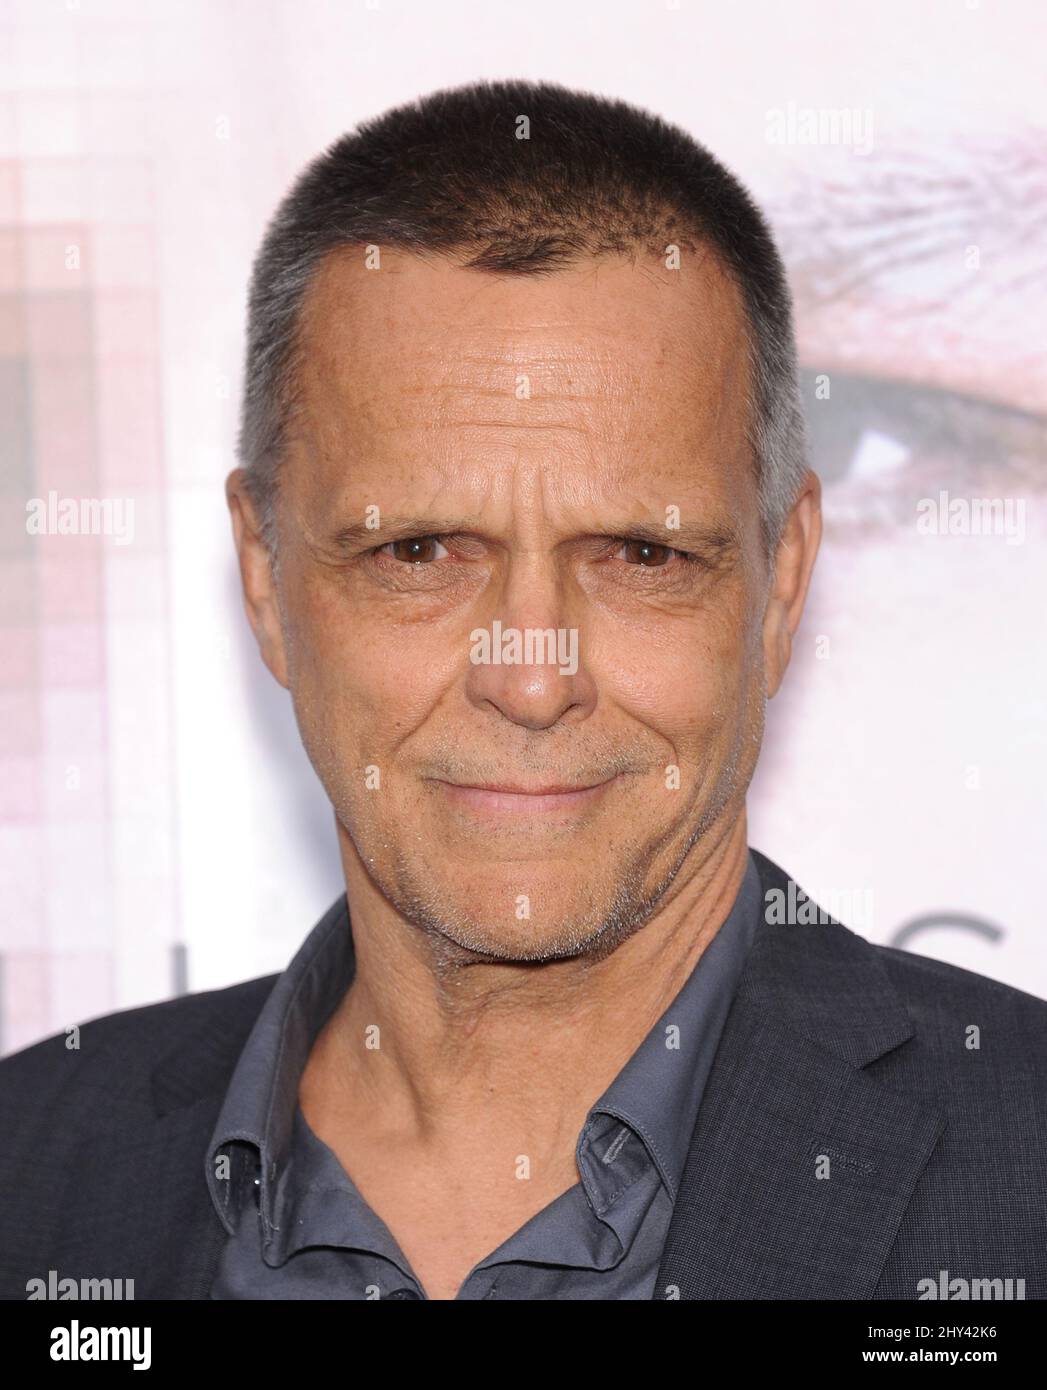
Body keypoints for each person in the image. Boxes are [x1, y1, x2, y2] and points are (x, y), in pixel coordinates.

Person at [2, 79, 1044, 1302]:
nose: (535, 678)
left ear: (778, 584)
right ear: (269, 578)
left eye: (643, 556)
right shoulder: (31, 1171)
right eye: (420, 553)